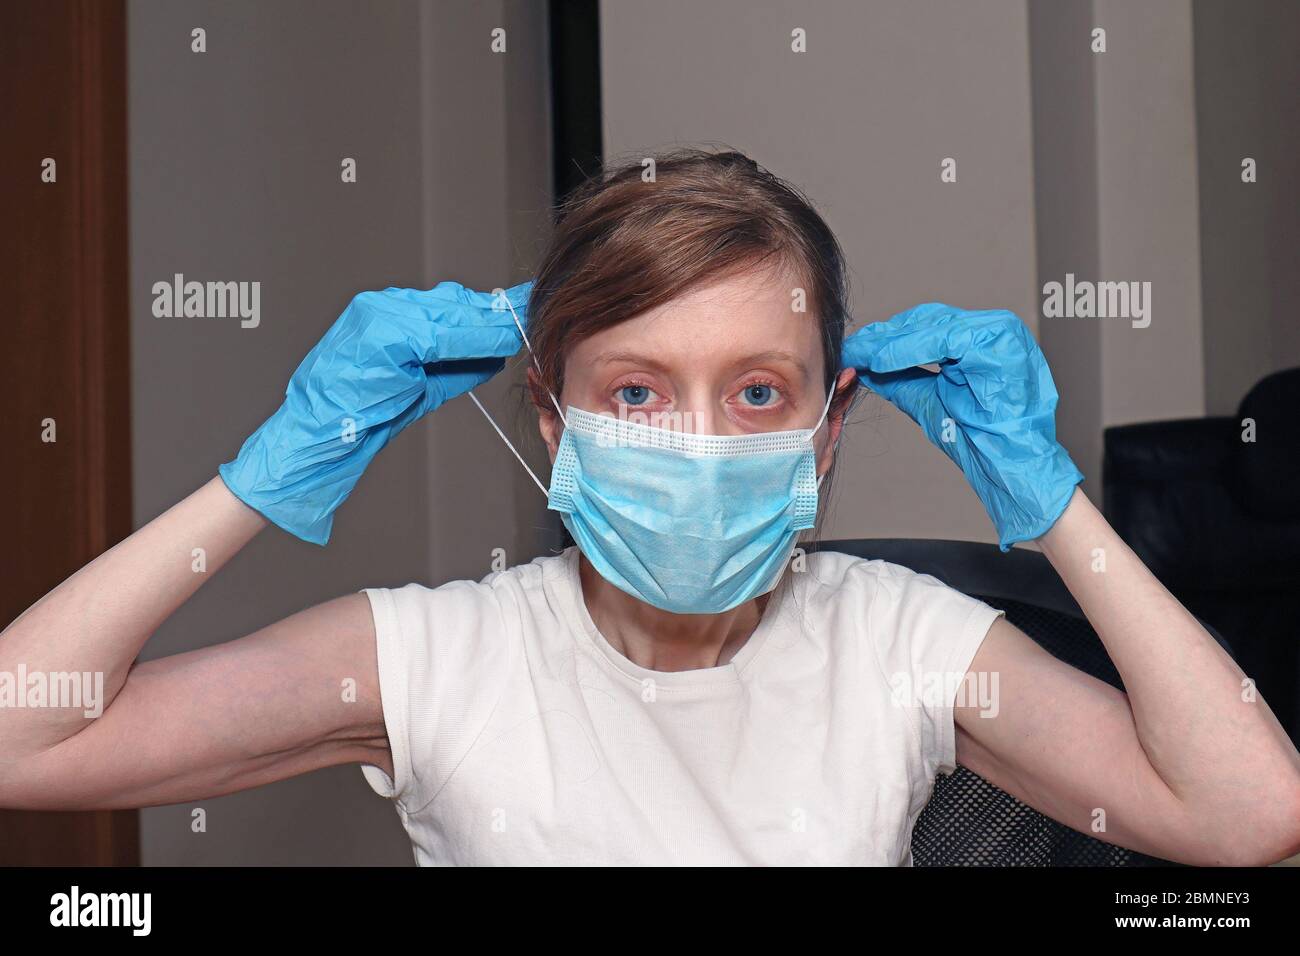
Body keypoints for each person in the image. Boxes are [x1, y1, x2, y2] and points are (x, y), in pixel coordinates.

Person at [3, 149, 1298, 866]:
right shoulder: (434, 656)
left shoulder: (901, 639)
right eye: (634, 390)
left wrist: (1052, 503)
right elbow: (22, 743)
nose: (692, 441)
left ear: (827, 426)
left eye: (753, 391)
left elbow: (1249, 816)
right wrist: (258, 484)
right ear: (552, 423)